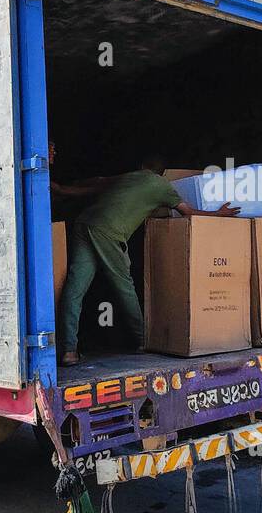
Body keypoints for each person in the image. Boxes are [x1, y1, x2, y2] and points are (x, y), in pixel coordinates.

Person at [57, 155, 239, 365]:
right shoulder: (163, 186)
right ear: (162, 173)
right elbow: (188, 212)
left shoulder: (131, 176)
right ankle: (143, 340)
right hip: (108, 231)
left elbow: (98, 182)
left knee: (75, 287)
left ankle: (69, 350)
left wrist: (61, 189)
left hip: (84, 223)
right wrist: (220, 213)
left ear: (142, 166)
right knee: (124, 285)